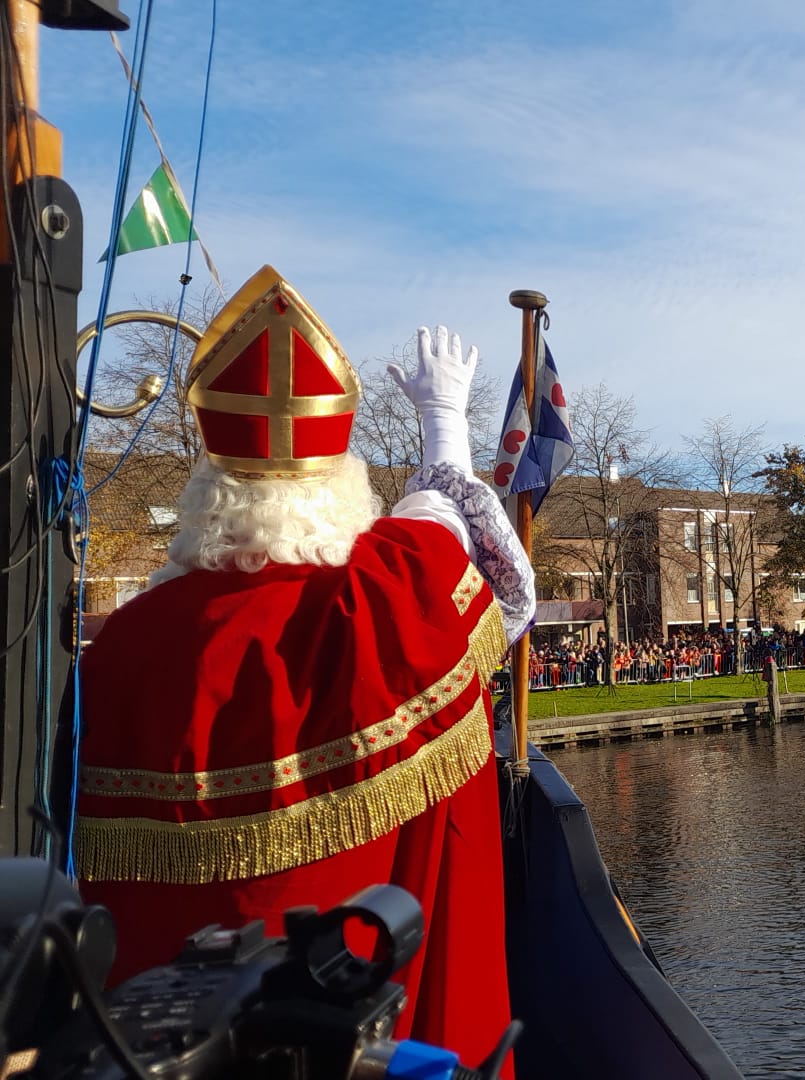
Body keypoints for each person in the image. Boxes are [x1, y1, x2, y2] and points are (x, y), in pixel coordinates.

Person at [74, 268, 534, 1067]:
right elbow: (442, 528)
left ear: (206, 491)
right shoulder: (373, 607)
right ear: (338, 489)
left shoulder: (121, 644)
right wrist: (443, 421)